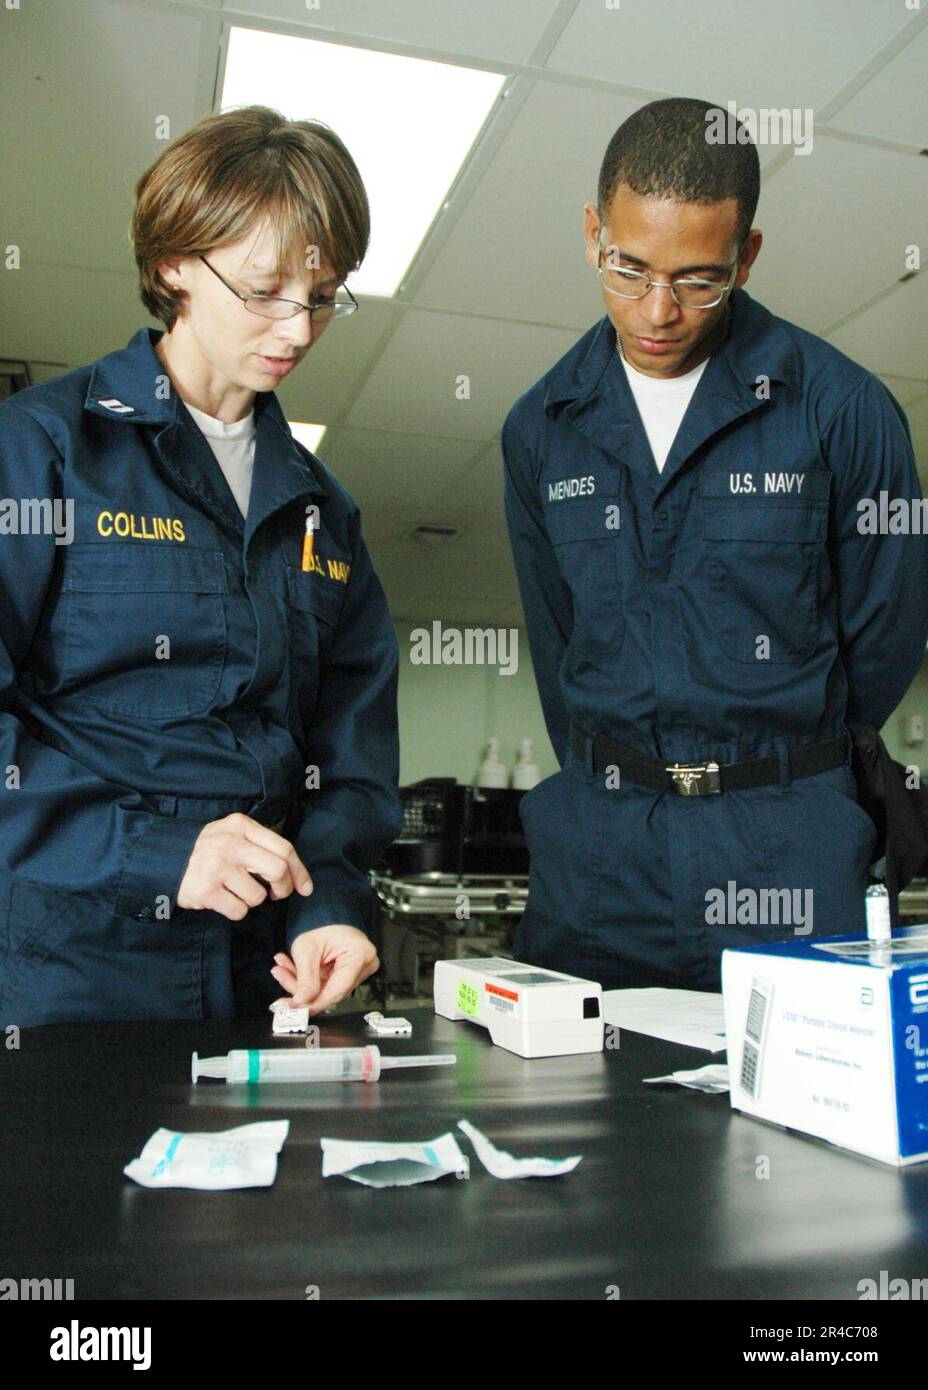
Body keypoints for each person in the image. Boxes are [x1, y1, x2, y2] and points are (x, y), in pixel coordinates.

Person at [502, 96, 928, 990]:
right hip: (600, 852)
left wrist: (776, 761)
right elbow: (556, 643)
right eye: (629, 268)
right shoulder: (541, 427)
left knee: (798, 1080)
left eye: (699, 279)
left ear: (748, 255)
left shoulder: (843, 411)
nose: (658, 311)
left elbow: (885, 637)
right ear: (593, 233)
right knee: (581, 1078)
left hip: (787, 842)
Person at [0, 106, 401, 1027]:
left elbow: (350, 754)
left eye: (323, 295)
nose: (298, 329)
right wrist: (154, 851)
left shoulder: (324, 512)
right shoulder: (40, 452)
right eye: (264, 290)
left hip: (260, 975)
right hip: (72, 972)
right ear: (175, 261)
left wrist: (332, 906)